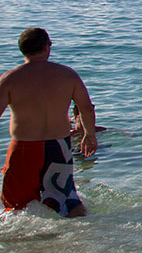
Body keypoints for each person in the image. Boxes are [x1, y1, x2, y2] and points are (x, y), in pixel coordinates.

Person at [0, 29, 97, 216]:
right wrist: (89, 135)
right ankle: (85, 237)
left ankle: (24, 244)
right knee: (67, 201)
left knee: (16, 207)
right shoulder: (68, 75)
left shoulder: (9, 79)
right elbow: (85, 108)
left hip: (23, 148)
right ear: (46, 47)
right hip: (59, 146)